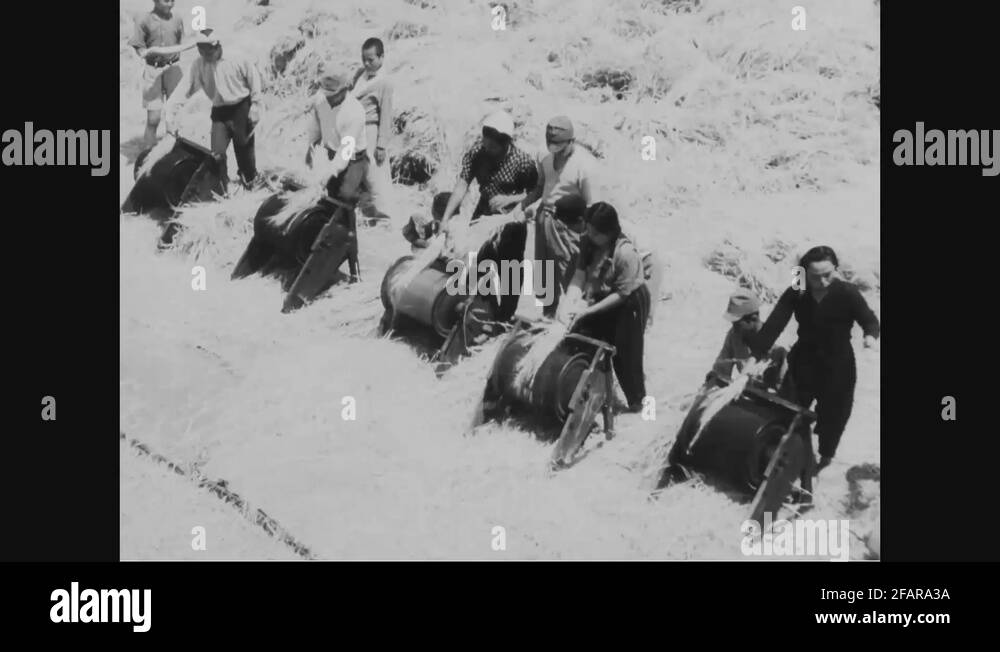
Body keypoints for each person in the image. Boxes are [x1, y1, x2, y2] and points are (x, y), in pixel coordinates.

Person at [750, 246, 880, 479]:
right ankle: (785, 455)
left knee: (835, 414)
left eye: (828, 274)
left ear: (836, 270)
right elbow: (775, 322)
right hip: (804, 362)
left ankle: (826, 456)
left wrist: (870, 338)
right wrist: (756, 353)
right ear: (804, 273)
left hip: (838, 364)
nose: (822, 281)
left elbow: (869, 320)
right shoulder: (798, 291)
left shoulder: (847, 292)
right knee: (790, 409)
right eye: (815, 276)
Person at [558, 202, 651, 412]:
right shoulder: (588, 242)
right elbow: (580, 274)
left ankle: (644, 409)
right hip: (605, 296)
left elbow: (622, 294)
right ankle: (589, 390)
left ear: (609, 232)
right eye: (588, 230)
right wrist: (569, 301)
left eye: (594, 232)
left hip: (630, 301)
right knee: (585, 337)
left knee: (628, 356)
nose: (589, 235)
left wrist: (587, 311)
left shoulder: (625, 253)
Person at [517, 116, 600, 316]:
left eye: (560, 146)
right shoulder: (545, 157)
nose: (556, 151)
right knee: (545, 275)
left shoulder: (585, 166)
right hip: (543, 220)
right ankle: (547, 315)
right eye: (552, 145)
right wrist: (521, 206)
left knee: (571, 273)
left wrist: (589, 240)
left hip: (569, 226)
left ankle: (576, 320)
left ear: (571, 141)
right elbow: (540, 186)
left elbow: (592, 206)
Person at [165, 28, 263, 188]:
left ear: (218, 47)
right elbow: (183, 90)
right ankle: (222, 187)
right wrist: (170, 116)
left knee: (244, 150)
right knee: (216, 155)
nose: (207, 56)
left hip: (241, 108)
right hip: (219, 112)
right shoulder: (198, 65)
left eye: (210, 51)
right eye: (202, 51)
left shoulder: (236, 57)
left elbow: (253, 79)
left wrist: (256, 106)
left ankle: (250, 181)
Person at [439, 110, 538, 232]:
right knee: (471, 249)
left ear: (506, 144)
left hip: (511, 216)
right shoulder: (477, 154)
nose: (487, 150)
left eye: (492, 147)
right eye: (485, 145)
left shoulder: (522, 162)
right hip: (483, 211)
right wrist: (445, 219)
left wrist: (509, 199)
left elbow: (536, 193)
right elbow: (462, 185)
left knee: (502, 250)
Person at [129, 0, 195, 149]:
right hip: (153, 71)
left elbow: (180, 42)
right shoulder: (142, 19)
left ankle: (173, 150)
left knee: (174, 114)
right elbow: (139, 47)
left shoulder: (177, 19)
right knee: (153, 118)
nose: (170, 4)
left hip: (173, 69)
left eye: (173, 0)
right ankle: (148, 154)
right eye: (166, 0)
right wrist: (145, 52)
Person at [351, 37, 395, 224]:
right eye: (364, 59)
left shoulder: (384, 82)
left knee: (375, 175)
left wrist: (382, 145)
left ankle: (385, 217)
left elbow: (386, 114)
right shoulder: (360, 75)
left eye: (371, 59)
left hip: (371, 130)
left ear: (382, 57)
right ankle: (366, 212)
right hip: (355, 131)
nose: (367, 63)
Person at [710, 290, 785, 388]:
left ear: (753, 319)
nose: (733, 326)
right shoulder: (734, 336)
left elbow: (786, 392)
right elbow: (721, 369)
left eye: (737, 322)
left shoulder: (778, 347)